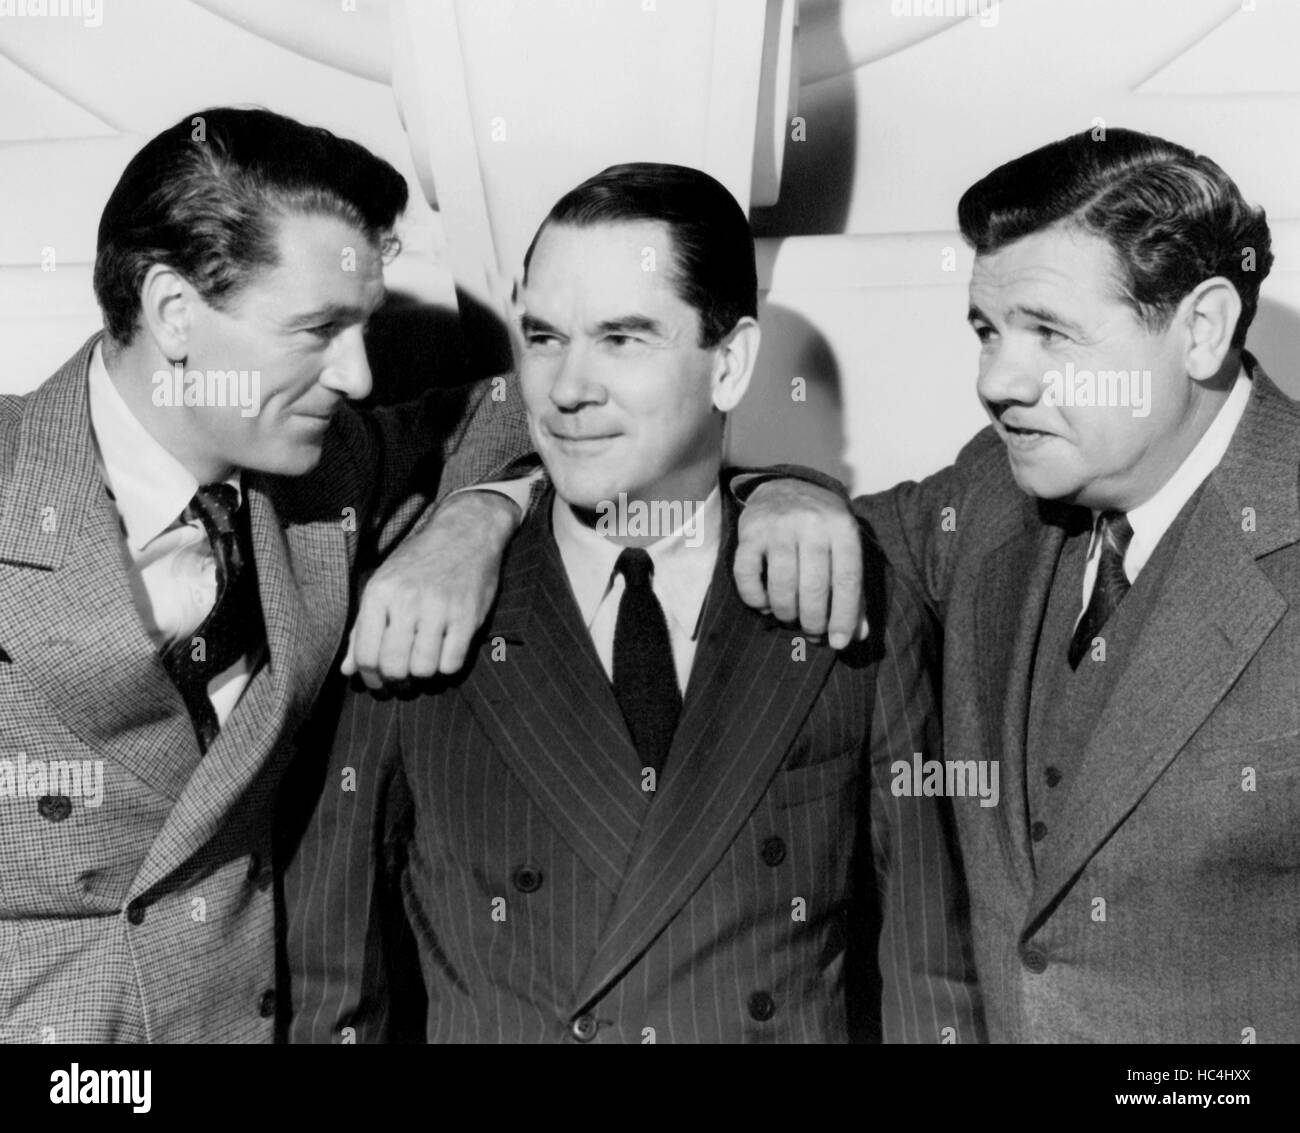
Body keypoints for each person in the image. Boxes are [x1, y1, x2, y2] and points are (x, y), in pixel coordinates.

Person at [284, 163, 980, 1044]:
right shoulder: (416, 610)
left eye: (623, 338)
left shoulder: (842, 595)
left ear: (729, 364)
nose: (568, 388)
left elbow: (932, 981)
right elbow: (330, 992)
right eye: (543, 337)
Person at [740, 128, 1300, 1042]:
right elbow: (844, 539)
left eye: (1049, 332)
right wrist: (779, 486)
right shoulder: (997, 489)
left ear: (1200, 329)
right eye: (989, 331)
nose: (996, 380)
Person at [0, 106, 534, 1043]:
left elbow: (538, 402)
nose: (360, 376)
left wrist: (481, 511)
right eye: (318, 328)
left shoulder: (331, 472)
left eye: (361, 326)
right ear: (173, 312)